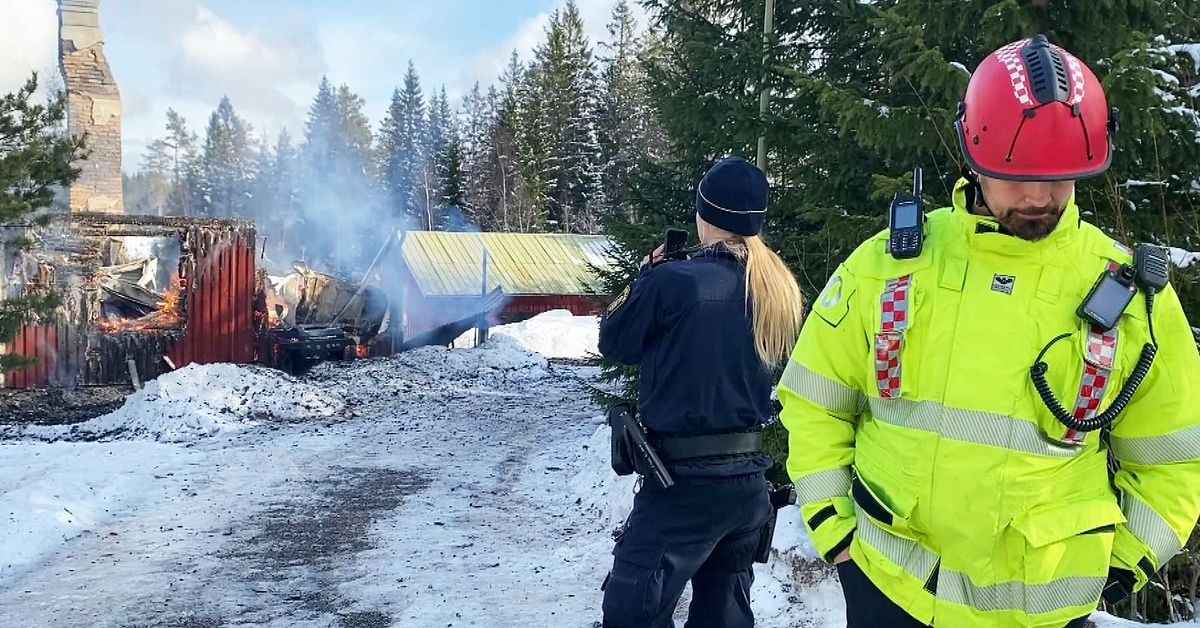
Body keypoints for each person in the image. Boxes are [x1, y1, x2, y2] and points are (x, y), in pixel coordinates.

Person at [777, 34, 1200, 628]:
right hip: (889, 589)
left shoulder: (1130, 297)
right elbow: (815, 401)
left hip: (1043, 614)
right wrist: (833, 527)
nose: (1037, 196)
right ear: (973, 156)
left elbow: (1175, 458)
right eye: (1017, 174)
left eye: (1060, 177)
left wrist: (1119, 566)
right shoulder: (888, 267)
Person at [598, 156, 805, 627]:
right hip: (747, 486)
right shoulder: (776, 289)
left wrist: (645, 276)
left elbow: (614, 340)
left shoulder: (672, 280)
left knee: (632, 611)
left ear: (703, 214)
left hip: (683, 488)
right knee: (725, 616)